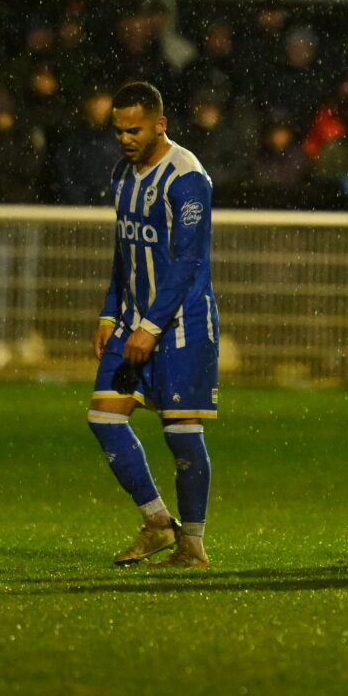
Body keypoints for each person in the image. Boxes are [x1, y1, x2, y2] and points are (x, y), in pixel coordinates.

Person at [87, 82, 220, 570]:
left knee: (181, 435)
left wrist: (150, 326)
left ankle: (194, 545)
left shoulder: (188, 180)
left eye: (135, 129)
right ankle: (159, 524)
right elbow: (125, 253)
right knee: (104, 419)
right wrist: (110, 313)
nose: (125, 138)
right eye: (119, 129)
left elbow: (187, 262)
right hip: (131, 323)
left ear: (160, 124)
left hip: (181, 327)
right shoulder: (124, 175)